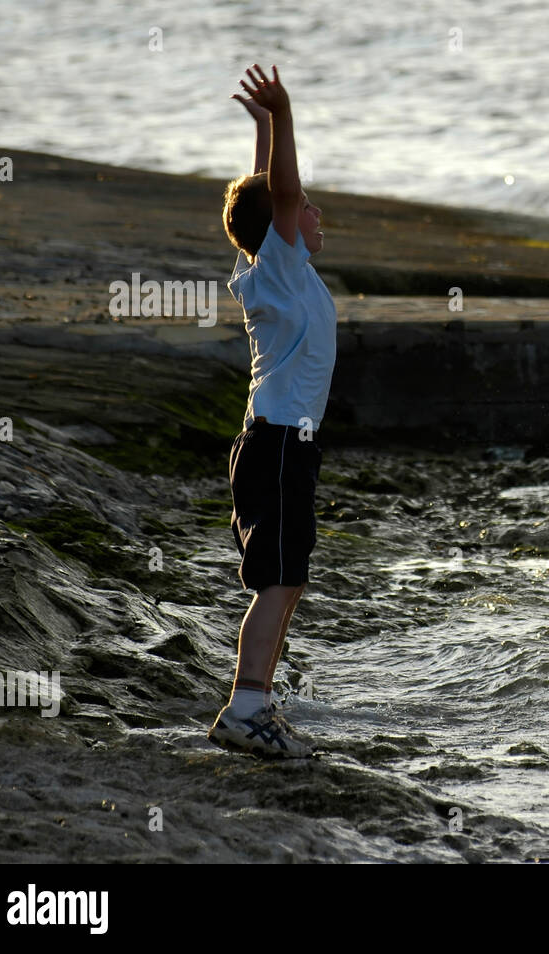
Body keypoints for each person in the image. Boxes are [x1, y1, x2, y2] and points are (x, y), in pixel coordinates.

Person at [208, 64, 336, 757]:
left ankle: (258, 704)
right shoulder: (281, 264)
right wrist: (284, 116)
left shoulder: (266, 266)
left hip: (282, 442)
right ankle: (246, 705)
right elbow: (278, 193)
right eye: (306, 206)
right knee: (278, 580)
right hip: (280, 441)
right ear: (285, 224)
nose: (314, 213)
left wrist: (260, 132)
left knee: (287, 579)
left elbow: (263, 199)